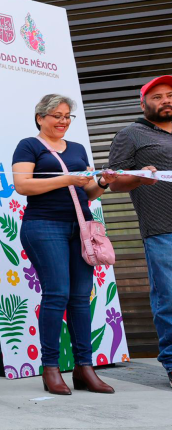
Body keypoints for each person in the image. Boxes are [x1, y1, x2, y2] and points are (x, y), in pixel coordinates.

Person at [12, 94, 117, 395]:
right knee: (57, 293)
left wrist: (103, 182)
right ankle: (51, 369)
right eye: (56, 115)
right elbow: (23, 185)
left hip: (80, 228)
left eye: (67, 116)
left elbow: (88, 193)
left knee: (81, 298)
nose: (62, 121)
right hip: (44, 226)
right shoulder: (29, 145)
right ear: (40, 118)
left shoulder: (79, 149)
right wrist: (66, 178)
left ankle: (85, 368)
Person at [108, 75, 172, 389]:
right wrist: (140, 177)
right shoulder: (131, 135)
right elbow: (114, 181)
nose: (166, 100)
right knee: (169, 299)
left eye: (170, 95)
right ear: (143, 103)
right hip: (163, 230)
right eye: (157, 96)